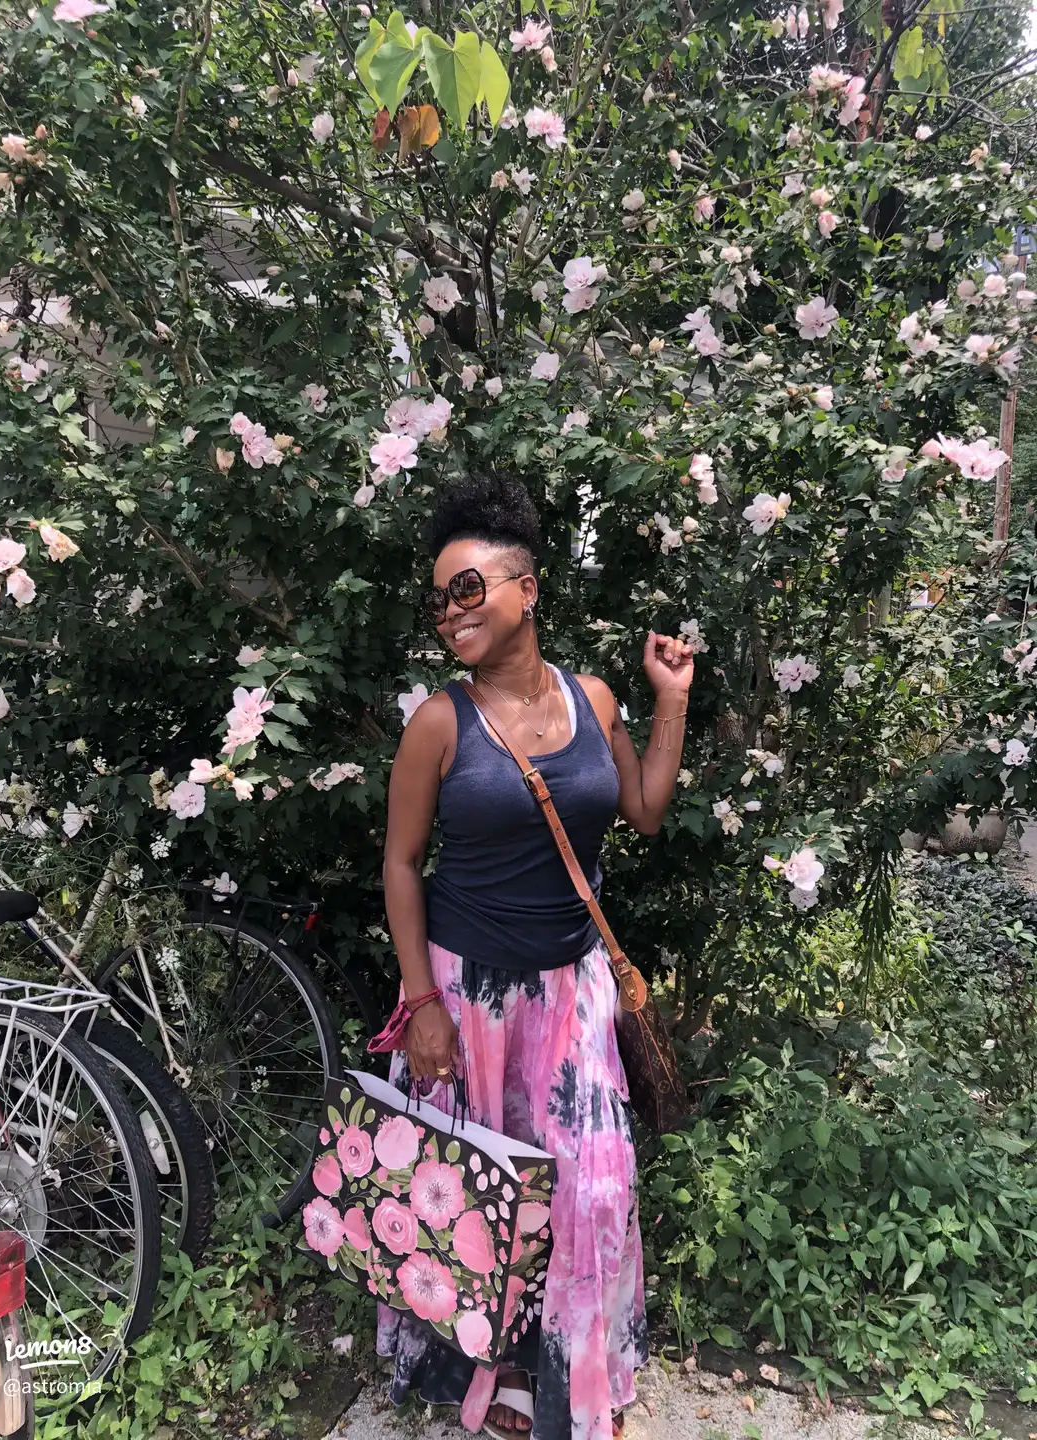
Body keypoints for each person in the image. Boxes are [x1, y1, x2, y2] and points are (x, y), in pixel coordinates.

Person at [379, 471, 694, 1440]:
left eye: (467, 589)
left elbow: (642, 811)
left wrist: (669, 699)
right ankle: (496, 1375)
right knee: (480, 1202)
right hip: (469, 1001)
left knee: (591, 1190)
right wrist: (420, 998)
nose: (450, 613)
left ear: (528, 588)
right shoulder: (441, 723)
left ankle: (572, 1379)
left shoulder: (593, 700)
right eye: (440, 600)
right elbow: (399, 861)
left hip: (573, 999)